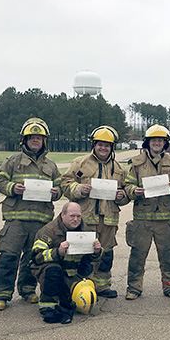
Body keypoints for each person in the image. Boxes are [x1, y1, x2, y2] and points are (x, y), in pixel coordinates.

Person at [0, 118, 63, 311]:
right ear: (23, 140)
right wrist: (12, 188)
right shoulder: (12, 162)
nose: (35, 141)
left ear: (44, 141)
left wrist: (57, 193)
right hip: (16, 218)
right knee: (8, 256)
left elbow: (59, 187)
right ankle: (2, 294)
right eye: (31, 137)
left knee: (32, 258)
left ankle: (27, 289)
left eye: (38, 138)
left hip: (41, 220)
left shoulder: (51, 165)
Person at [62, 125, 130, 299]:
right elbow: (65, 184)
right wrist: (79, 189)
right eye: (100, 144)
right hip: (85, 218)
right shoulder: (80, 163)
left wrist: (122, 196)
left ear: (112, 147)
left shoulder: (119, 169)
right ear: (94, 144)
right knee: (81, 253)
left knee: (106, 253)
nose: (103, 148)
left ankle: (102, 286)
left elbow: (126, 193)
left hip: (108, 219)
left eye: (107, 145)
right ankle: (79, 285)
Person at [124, 124, 170, 300]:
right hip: (142, 217)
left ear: (165, 143)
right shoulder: (137, 163)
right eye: (154, 140)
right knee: (137, 255)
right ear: (148, 142)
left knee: (168, 256)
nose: (157, 143)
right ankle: (134, 288)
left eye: (160, 140)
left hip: (165, 218)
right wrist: (133, 191)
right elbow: (128, 185)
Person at [30, 202, 102, 324]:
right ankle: (47, 305)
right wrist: (57, 251)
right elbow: (36, 257)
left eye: (78, 216)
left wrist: (97, 251)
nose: (76, 219)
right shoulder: (48, 231)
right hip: (50, 270)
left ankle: (68, 291)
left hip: (73, 272)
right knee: (52, 270)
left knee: (83, 300)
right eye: (72, 216)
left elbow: (95, 258)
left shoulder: (86, 230)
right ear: (62, 215)